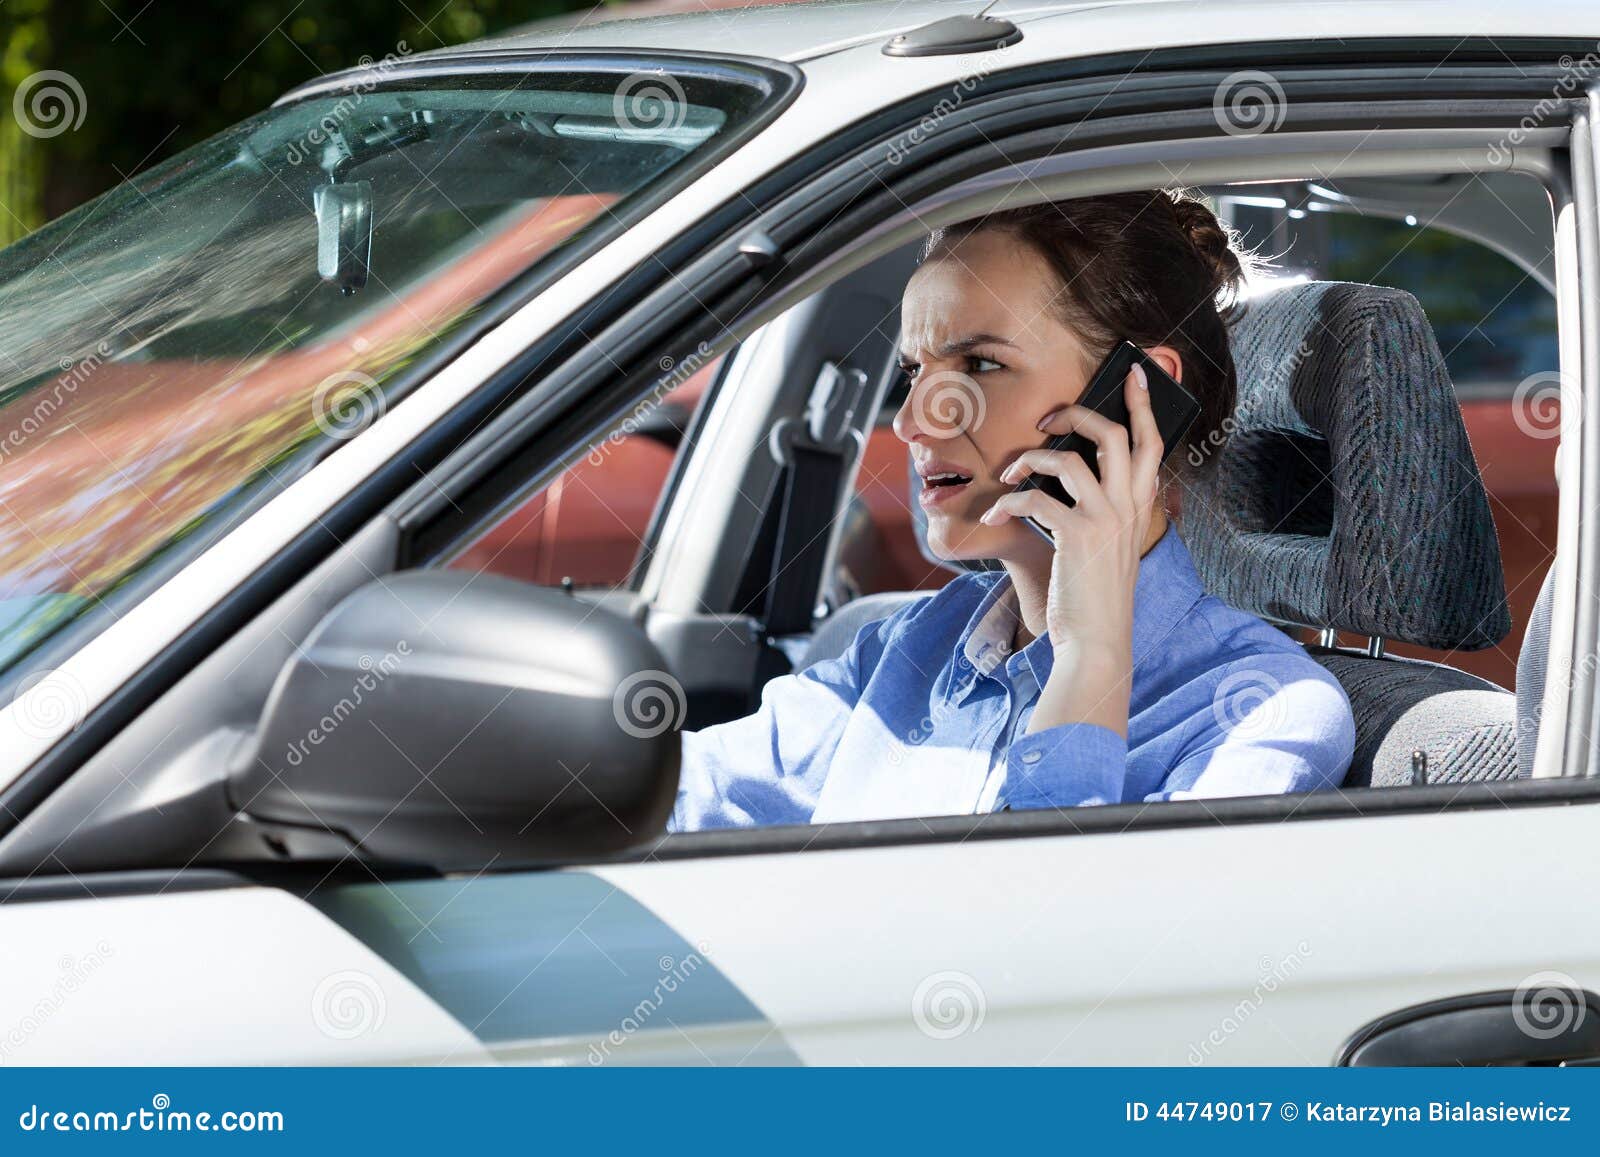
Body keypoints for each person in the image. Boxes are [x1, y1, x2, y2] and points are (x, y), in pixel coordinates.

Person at [671, 190, 1355, 830]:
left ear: (1136, 392)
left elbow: (1052, 942)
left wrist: (1089, 658)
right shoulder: (909, 645)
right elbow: (673, 794)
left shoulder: (1263, 714)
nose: (914, 421)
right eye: (913, 371)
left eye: (980, 365)